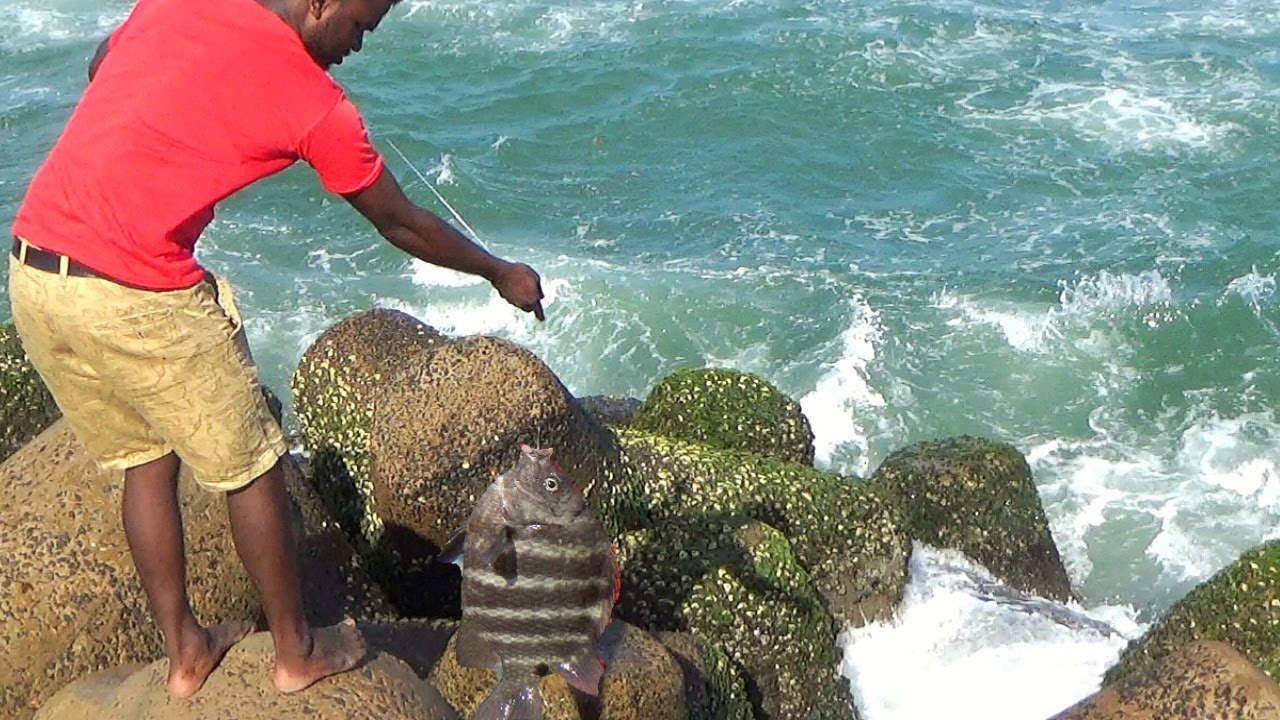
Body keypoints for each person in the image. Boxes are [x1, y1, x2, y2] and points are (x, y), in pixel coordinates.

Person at [7, 0, 545, 699]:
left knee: (146, 461)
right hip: (134, 289)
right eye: (357, 26)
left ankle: (186, 652)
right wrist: (499, 272)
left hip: (37, 266)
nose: (357, 45)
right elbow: (400, 223)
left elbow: (102, 63)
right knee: (256, 464)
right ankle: (296, 652)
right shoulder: (319, 106)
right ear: (321, 3)